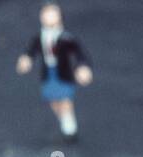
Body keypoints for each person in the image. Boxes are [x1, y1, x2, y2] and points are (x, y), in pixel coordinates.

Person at [16, 3, 94, 142]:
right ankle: (64, 120)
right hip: (49, 73)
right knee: (53, 100)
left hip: (63, 73)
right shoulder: (40, 37)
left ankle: (70, 126)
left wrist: (82, 67)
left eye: (53, 14)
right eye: (46, 14)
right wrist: (26, 59)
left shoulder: (67, 38)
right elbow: (31, 51)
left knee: (65, 99)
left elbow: (80, 53)